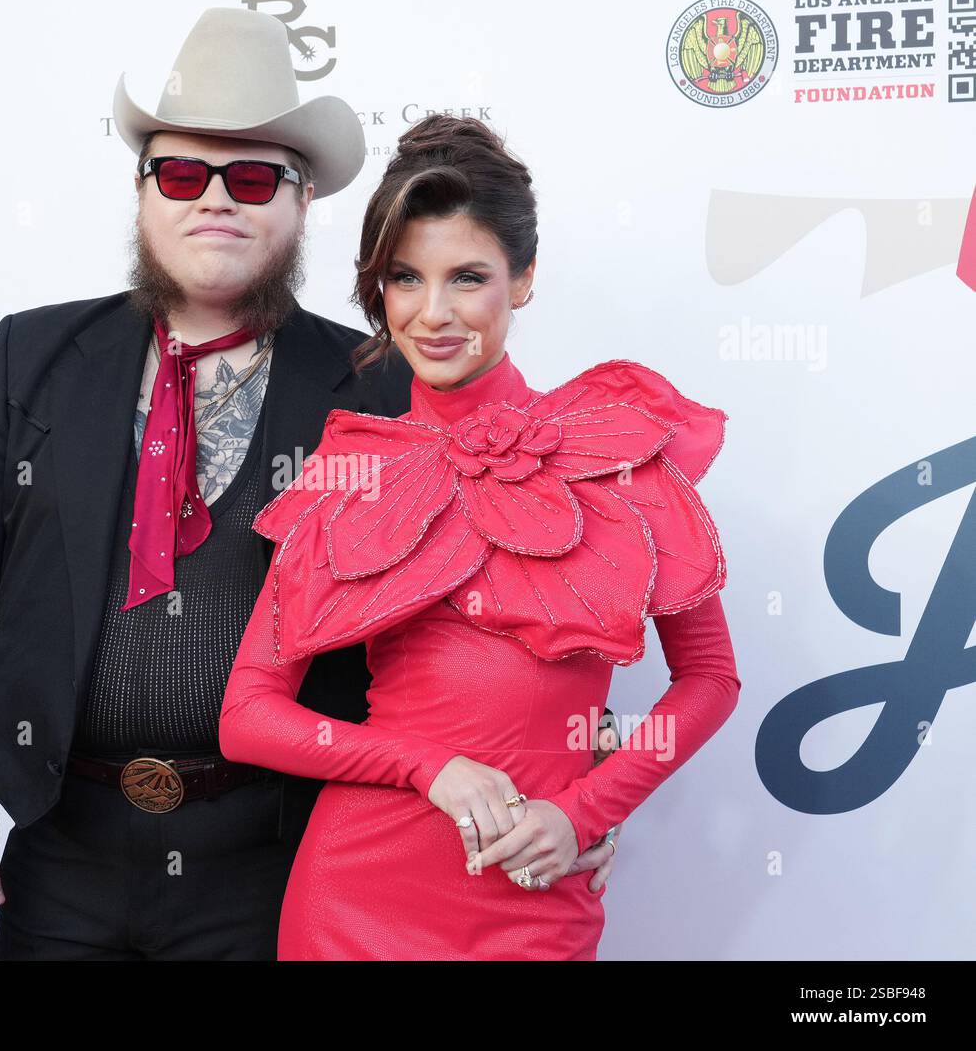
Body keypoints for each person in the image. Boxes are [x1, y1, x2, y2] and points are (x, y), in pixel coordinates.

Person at [0, 7, 627, 961]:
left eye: (252, 178)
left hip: (276, 855)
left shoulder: (385, 384)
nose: (215, 201)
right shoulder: (31, 359)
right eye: (183, 173)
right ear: (145, 191)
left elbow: (519, 606)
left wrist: (585, 781)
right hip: (61, 847)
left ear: (302, 200)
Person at [218, 113, 742, 960]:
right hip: (354, 897)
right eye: (403, 280)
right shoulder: (352, 473)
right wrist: (423, 766)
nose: (432, 315)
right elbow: (248, 715)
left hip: (535, 891)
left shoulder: (616, 449)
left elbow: (710, 679)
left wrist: (586, 812)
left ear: (523, 278)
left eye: (467, 277)